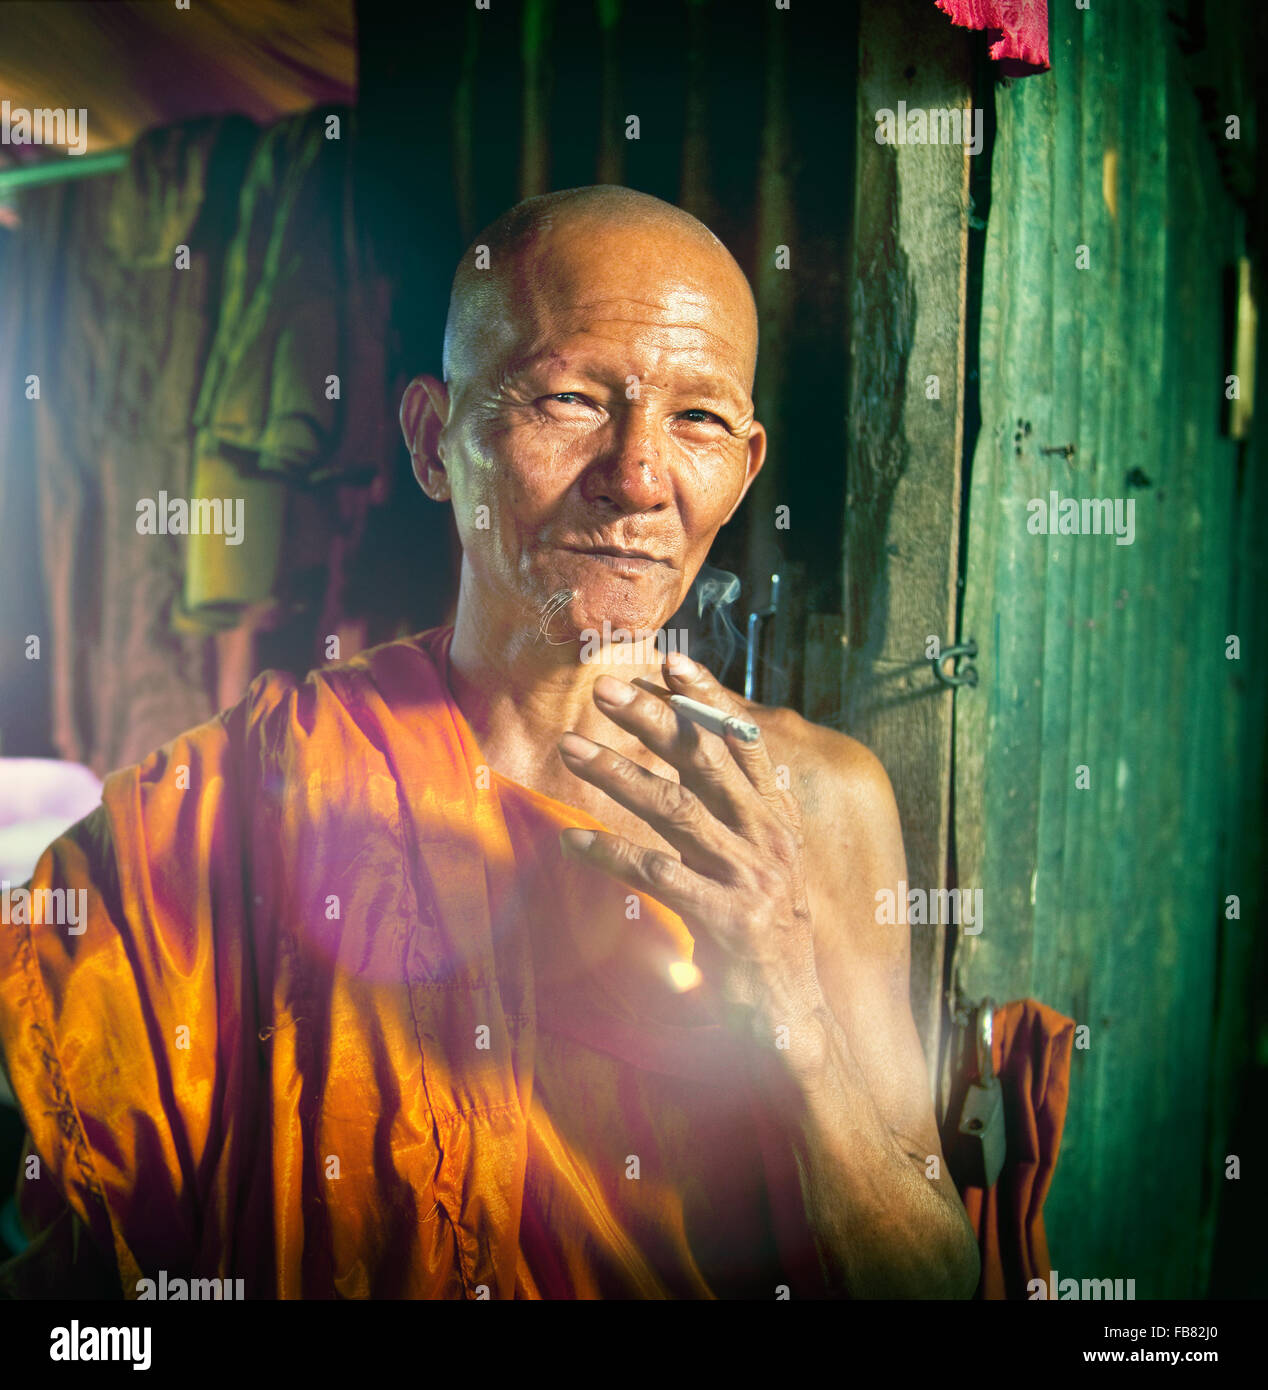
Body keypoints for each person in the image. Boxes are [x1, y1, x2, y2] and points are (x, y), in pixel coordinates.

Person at [0, 185, 978, 1299]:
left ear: (744, 470)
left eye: (697, 419)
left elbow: (931, 1277)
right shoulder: (252, 791)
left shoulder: (812, 802)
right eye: (568, 398)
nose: (640, 477)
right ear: (431, 440)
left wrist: (790, 1007)